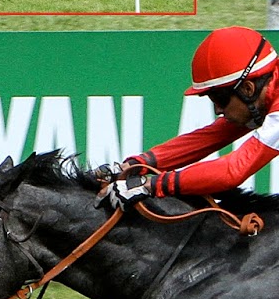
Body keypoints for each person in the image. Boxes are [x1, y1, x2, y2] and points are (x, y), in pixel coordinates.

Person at [104, 27, 279, 206]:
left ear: (248, 89)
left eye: (220, 99)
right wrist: (136, 164)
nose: (218, 110)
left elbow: (234, 170)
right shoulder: (262, 96)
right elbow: (211, 136)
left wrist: (151, 185)